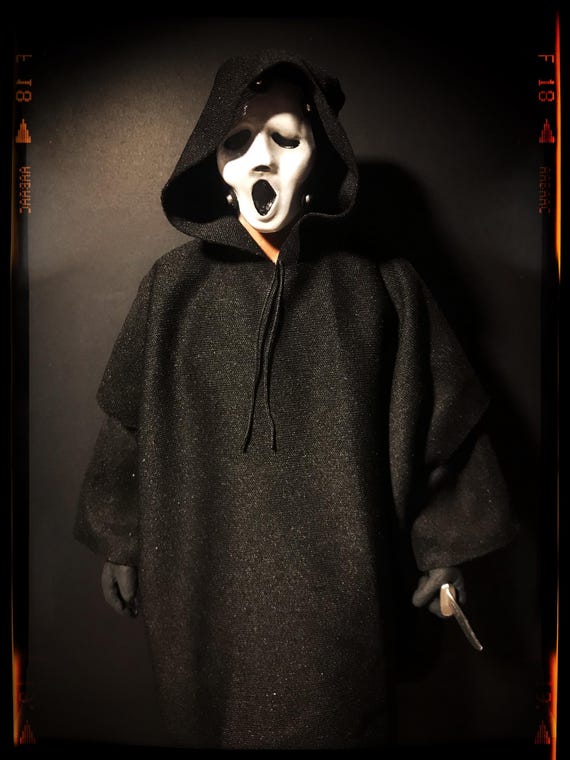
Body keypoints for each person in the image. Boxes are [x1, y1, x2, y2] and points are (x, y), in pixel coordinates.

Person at [74, 50, 517, 749]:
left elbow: (441, 424)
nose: (262, 158)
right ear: (215, 160)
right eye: (238, 140)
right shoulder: (172, 289)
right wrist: (120, 538)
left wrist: (445, 548)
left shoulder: (382, 289)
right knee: (208, 711)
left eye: (286, 138)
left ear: (320, 154)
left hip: (341, 585)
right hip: (203, 573)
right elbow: (129, 423)